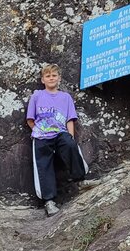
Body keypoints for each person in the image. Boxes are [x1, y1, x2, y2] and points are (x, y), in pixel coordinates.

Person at [26, 63, 89, 216]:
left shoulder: (65, 97)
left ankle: (81, 181)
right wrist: (37, 131)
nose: (51, 78)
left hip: (60, 133)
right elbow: (30, 119)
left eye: (54, 75)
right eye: (48, 76)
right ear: (43, 79)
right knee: (43, 164)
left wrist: (70, 136)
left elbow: (70, 119)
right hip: (42, 135)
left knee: (70, 145)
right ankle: (49, 201)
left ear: (59, 78)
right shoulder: (37, 96)